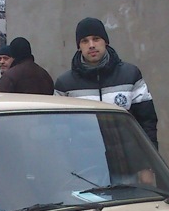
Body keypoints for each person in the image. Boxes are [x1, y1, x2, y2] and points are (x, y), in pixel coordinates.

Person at [54, 17, 158, 148]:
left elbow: (147, 122)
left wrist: (147, 164)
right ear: (79, 46)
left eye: (96, 39)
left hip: (129, 160)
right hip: (86, 162)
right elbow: (59, 133)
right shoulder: (65, 85)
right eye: (85, 41)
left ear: (106, 42)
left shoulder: (130, 76)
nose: (91, 45)